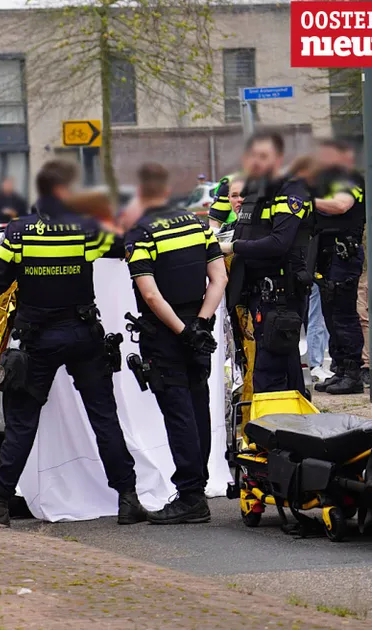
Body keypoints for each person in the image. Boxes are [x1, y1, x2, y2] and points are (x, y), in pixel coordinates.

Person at [0, 159, 145, 526]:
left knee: (22, 424)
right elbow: (120, 246)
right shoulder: (86, 230)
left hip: (37, 341)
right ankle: (128, 498)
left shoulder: (18, 233)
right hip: (84, 335)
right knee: (104, 418)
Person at [125, 163, 227, 525]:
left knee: (179, 413)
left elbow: (151, 296)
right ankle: (196, 487)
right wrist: (201, 323)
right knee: (199, 409)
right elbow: (219, 277)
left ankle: (190, 497)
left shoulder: (141, 233)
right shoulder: (198, 225)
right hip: (199, 326)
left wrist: (182, 331)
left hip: (166, 334)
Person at [219, 131, 314, 396]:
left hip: (281, 290)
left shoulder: (291, 189)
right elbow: (247, 230)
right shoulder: (252, 190)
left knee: (269, 368)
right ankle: (297, 418)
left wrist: (231, 247)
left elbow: (279, 243)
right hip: (255, 289)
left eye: (264, 156)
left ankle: (270, 428)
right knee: (283, 361)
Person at [311, 139, 367, 395]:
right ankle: (340, 369)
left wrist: (307, 202)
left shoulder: (350, 179)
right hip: (326, 256)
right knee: (331, 316)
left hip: (345, 254)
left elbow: (341, 205)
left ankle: (353, 374)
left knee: (344, 317)